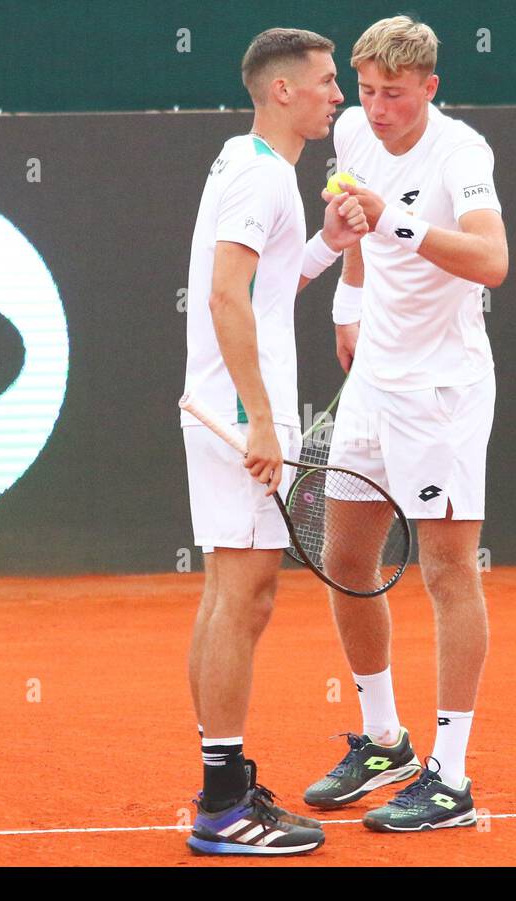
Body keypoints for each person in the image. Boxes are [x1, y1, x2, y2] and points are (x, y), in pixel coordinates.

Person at [300, 16, 509, 832]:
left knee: (449, 574)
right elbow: (354, 227)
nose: (376, 108)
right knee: (345, 556)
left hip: (444, 390)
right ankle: (384, 740)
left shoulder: (464, 154)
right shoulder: (351, 129)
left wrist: (394, 220)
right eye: (366, 91)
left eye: (394, 93)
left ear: (430, 87)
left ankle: (450, 778)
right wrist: (349, 305)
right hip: (374, 385)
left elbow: (492, 262)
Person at [181, 27, 367, 855]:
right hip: (240, 411)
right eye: (328, 82)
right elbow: (225, 298)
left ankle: (223, 779)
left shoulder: (248, 163)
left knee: (227, 593)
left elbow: (263, 287)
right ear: (283, 90)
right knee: (245, 598)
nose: (340, 94)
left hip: (224, 404)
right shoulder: (262, 178)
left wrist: (330, 242)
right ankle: (223, 807)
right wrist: (261, 417)